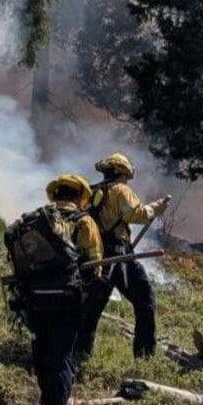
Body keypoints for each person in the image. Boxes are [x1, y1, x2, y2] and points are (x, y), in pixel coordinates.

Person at [5, 173, 103, 405]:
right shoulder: (84, 222)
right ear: (79, 196)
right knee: (61, 359)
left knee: (41, 354)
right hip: (66, 301)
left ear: (56, 194)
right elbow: (95, 268)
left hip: (34, 300)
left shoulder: (36, 221)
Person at [77, 153, 170, 360]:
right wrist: (156, 208)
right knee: (144, 298)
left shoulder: (92, 192)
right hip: (119, 257)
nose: (126, 180)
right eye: (126, 176)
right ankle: (144, 356)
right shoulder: (121, 190)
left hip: (96, 256)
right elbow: (137, 214)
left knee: (91, 308)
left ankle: (79, 355)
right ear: (122, 174)